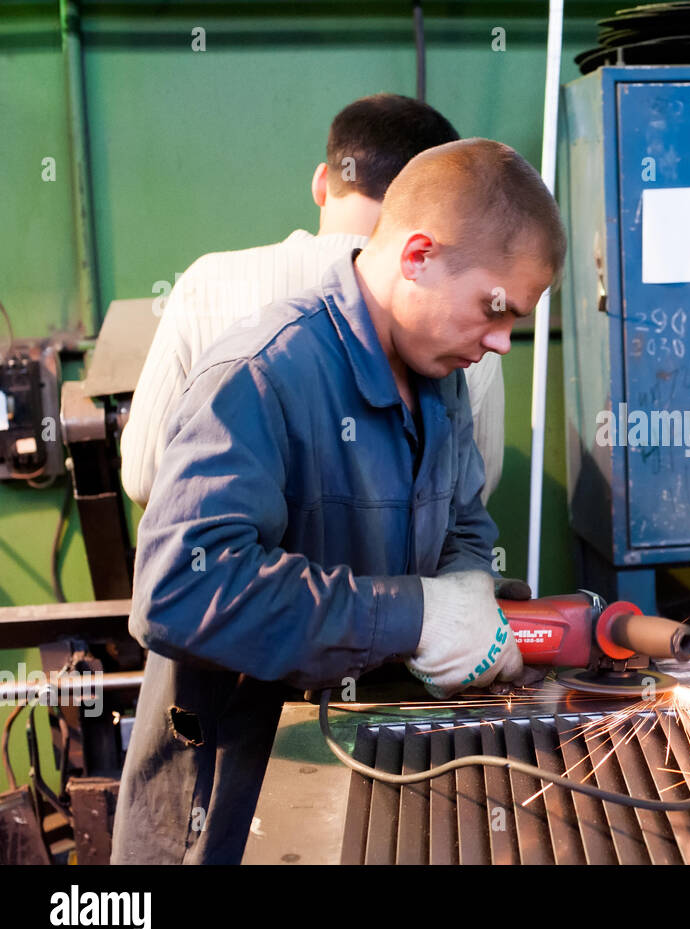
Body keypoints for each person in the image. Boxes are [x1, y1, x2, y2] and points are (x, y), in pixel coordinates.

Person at [111, 138, 565, 864]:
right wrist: (416, 614)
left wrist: (467, 587)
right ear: (417, 256)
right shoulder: (264, 374)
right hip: (231, 802)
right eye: (495, 308)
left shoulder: (441, 378)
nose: (504, 341)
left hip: (367, 777)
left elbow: (466, 519)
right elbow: (179, 590)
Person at [121, 93, 507, 507]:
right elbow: (474, 492)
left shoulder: (205, 283)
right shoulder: (466, 325)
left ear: (322, 182)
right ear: (439, 210)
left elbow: (145, 477)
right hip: (403, 574)